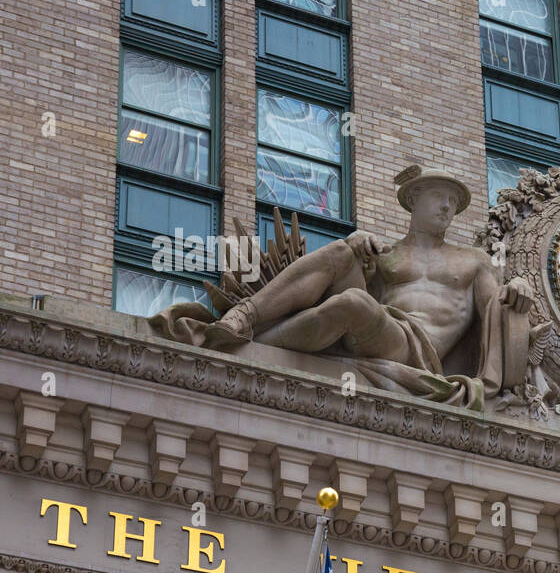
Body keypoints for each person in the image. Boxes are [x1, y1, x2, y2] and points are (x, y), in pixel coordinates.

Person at [154, 166, 532, 405]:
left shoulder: (474, 261)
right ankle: (243, 318)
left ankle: (249, 349)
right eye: (439, 197)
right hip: (380, 324)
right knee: (341, 250)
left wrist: (517, 287)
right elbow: (342, 280)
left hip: (418, 352)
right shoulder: (385, 255)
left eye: (453, 201)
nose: (447, 207)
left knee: (353, 303)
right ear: (414, 200)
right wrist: (357, 247)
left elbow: (495, 305)